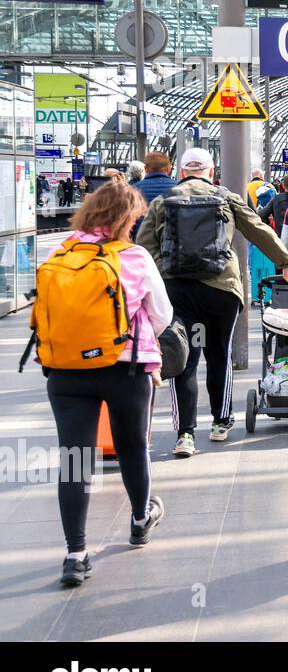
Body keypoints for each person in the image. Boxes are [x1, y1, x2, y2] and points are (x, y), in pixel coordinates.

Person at [40, 180, 172, 587]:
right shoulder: (134, 256)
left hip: (65, 370)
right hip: (124, 368)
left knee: (75, 458)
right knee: (132, 447)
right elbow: (162, 314)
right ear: (128, 218)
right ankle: (140, 520)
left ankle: (75, 554)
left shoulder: (60, 252)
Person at [137, 148, 288, 455]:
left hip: (179, 292)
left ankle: (185, 434)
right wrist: (286, 262)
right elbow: (258, 229)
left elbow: (143, 246)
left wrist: (165, 272)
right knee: (219, 354)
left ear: (182, 172)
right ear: (211, 172)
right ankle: (220, 422)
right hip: (221, 289)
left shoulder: (163, 201)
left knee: (183, 357)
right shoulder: (225, 197)